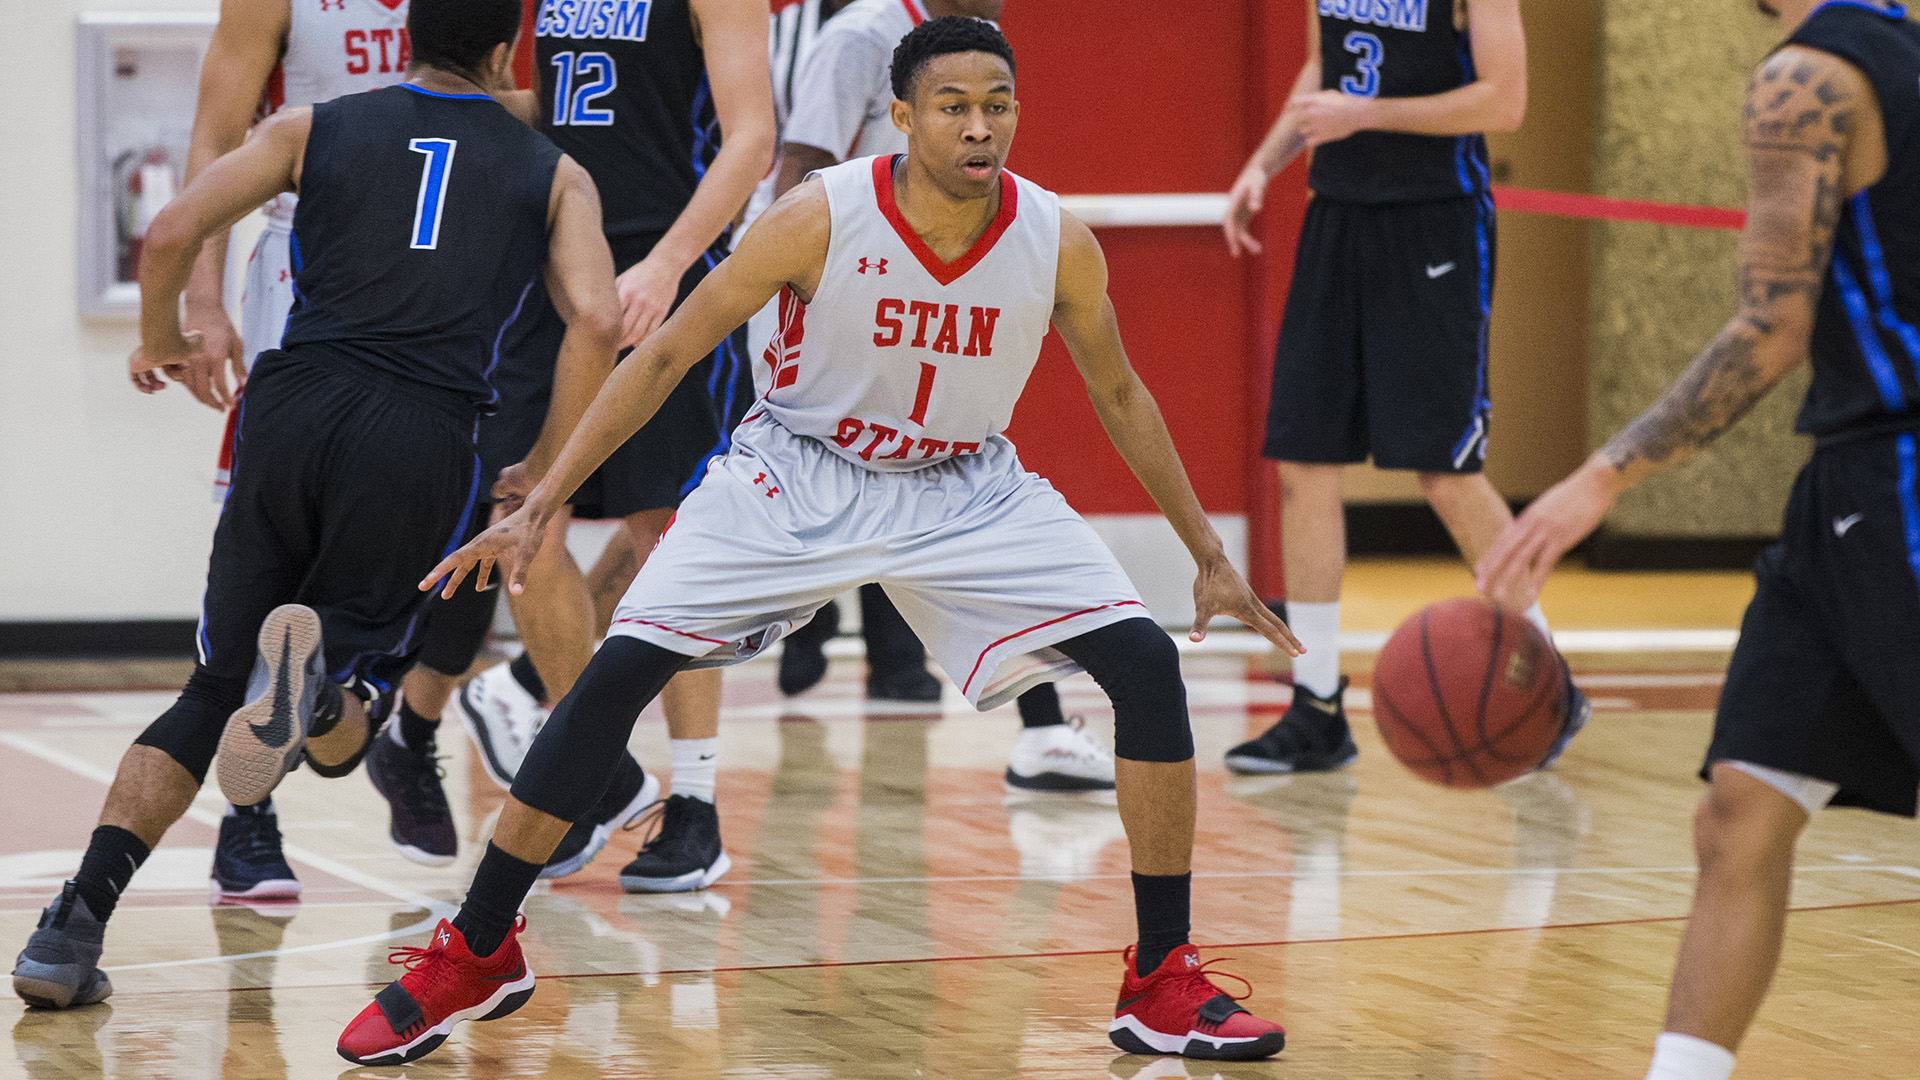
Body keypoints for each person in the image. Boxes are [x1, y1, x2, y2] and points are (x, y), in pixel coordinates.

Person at [336, 18, 1296, 1065]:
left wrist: (1205, 549)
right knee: (617, 676)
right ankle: (478, 950)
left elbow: (1119, 391)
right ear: (900, 118)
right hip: (797, 470)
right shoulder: (816, 219)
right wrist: (540, 500)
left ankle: (1161, 979)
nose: (981, 128)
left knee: (1147, 666)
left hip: (961, 484)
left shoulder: (1055, 237)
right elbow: (660, 359)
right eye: (954, 106)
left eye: (999, 105)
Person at [10, 0, 620, 1011]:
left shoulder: (311, 124)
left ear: (410, 33)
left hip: (293, 403)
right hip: (424, 431)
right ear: (508, 51)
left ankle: (72, 926)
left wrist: (165, 332)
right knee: (355, 695)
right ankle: (324, 698)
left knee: (212, 685)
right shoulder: (551, 170)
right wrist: (542, 475)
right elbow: (597, 317)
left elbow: (168, 229)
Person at [1479, 3, 1920, 1077]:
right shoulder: (1898, 44)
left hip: (1900, 472)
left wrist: (1599, 476)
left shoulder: (1807, 79)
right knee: (1741, 810)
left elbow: (1771, 329)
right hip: (1843, 488)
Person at [447, 0, 776, 893]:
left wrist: (670, 262)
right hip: (552, 255)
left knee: (670, 534)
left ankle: (696, 807)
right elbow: (559, 103)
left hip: (666, 266)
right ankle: (590, 772)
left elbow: (752, 140)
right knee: (523, 516)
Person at [1220, 0, 1586, 775]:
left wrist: (1370, 115)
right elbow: (1327, 72)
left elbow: (1504, 100)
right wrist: (1266, 159)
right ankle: (1315, 704)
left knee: (1446, 473)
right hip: (1338, 218)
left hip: (1435, 224)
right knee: (1304, 464)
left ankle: (1551, 682)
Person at [766, 0, 1115, 795]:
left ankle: (1042, 726)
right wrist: (773, 308)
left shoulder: (973, 45)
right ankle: (539, 687)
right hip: (824, 309)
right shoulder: (860, 36)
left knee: (954, 490)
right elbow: (796, 168)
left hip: (911, 308)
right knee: (726, 536)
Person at [171, 0, 448, 900]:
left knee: (446, 521)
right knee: (270, 545)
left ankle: (390, 726)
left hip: (443, 269)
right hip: (305, 267)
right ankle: (248, 815)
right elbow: (215, 138)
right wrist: (203, 301)